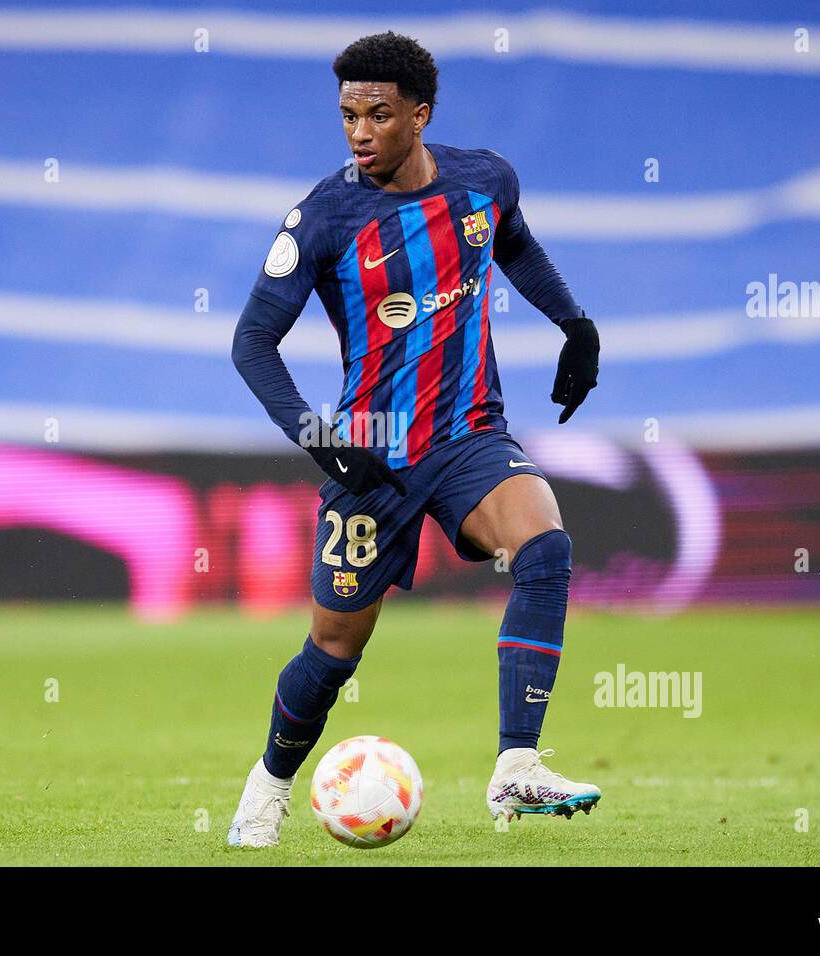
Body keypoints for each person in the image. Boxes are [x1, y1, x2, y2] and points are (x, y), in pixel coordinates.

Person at [228, 31, 602, 847]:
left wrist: (573, 323)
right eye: (348, 116)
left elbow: (513, 242)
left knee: (545, 548)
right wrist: (318, 436)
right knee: (334, 649)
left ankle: (517, 766)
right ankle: (269, 784)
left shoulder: (483, 181)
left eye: (378, 115)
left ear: (420, 115)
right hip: (371, 454)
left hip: (470, 435)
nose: (359, 133)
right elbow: (251, 342)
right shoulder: (324, 217)